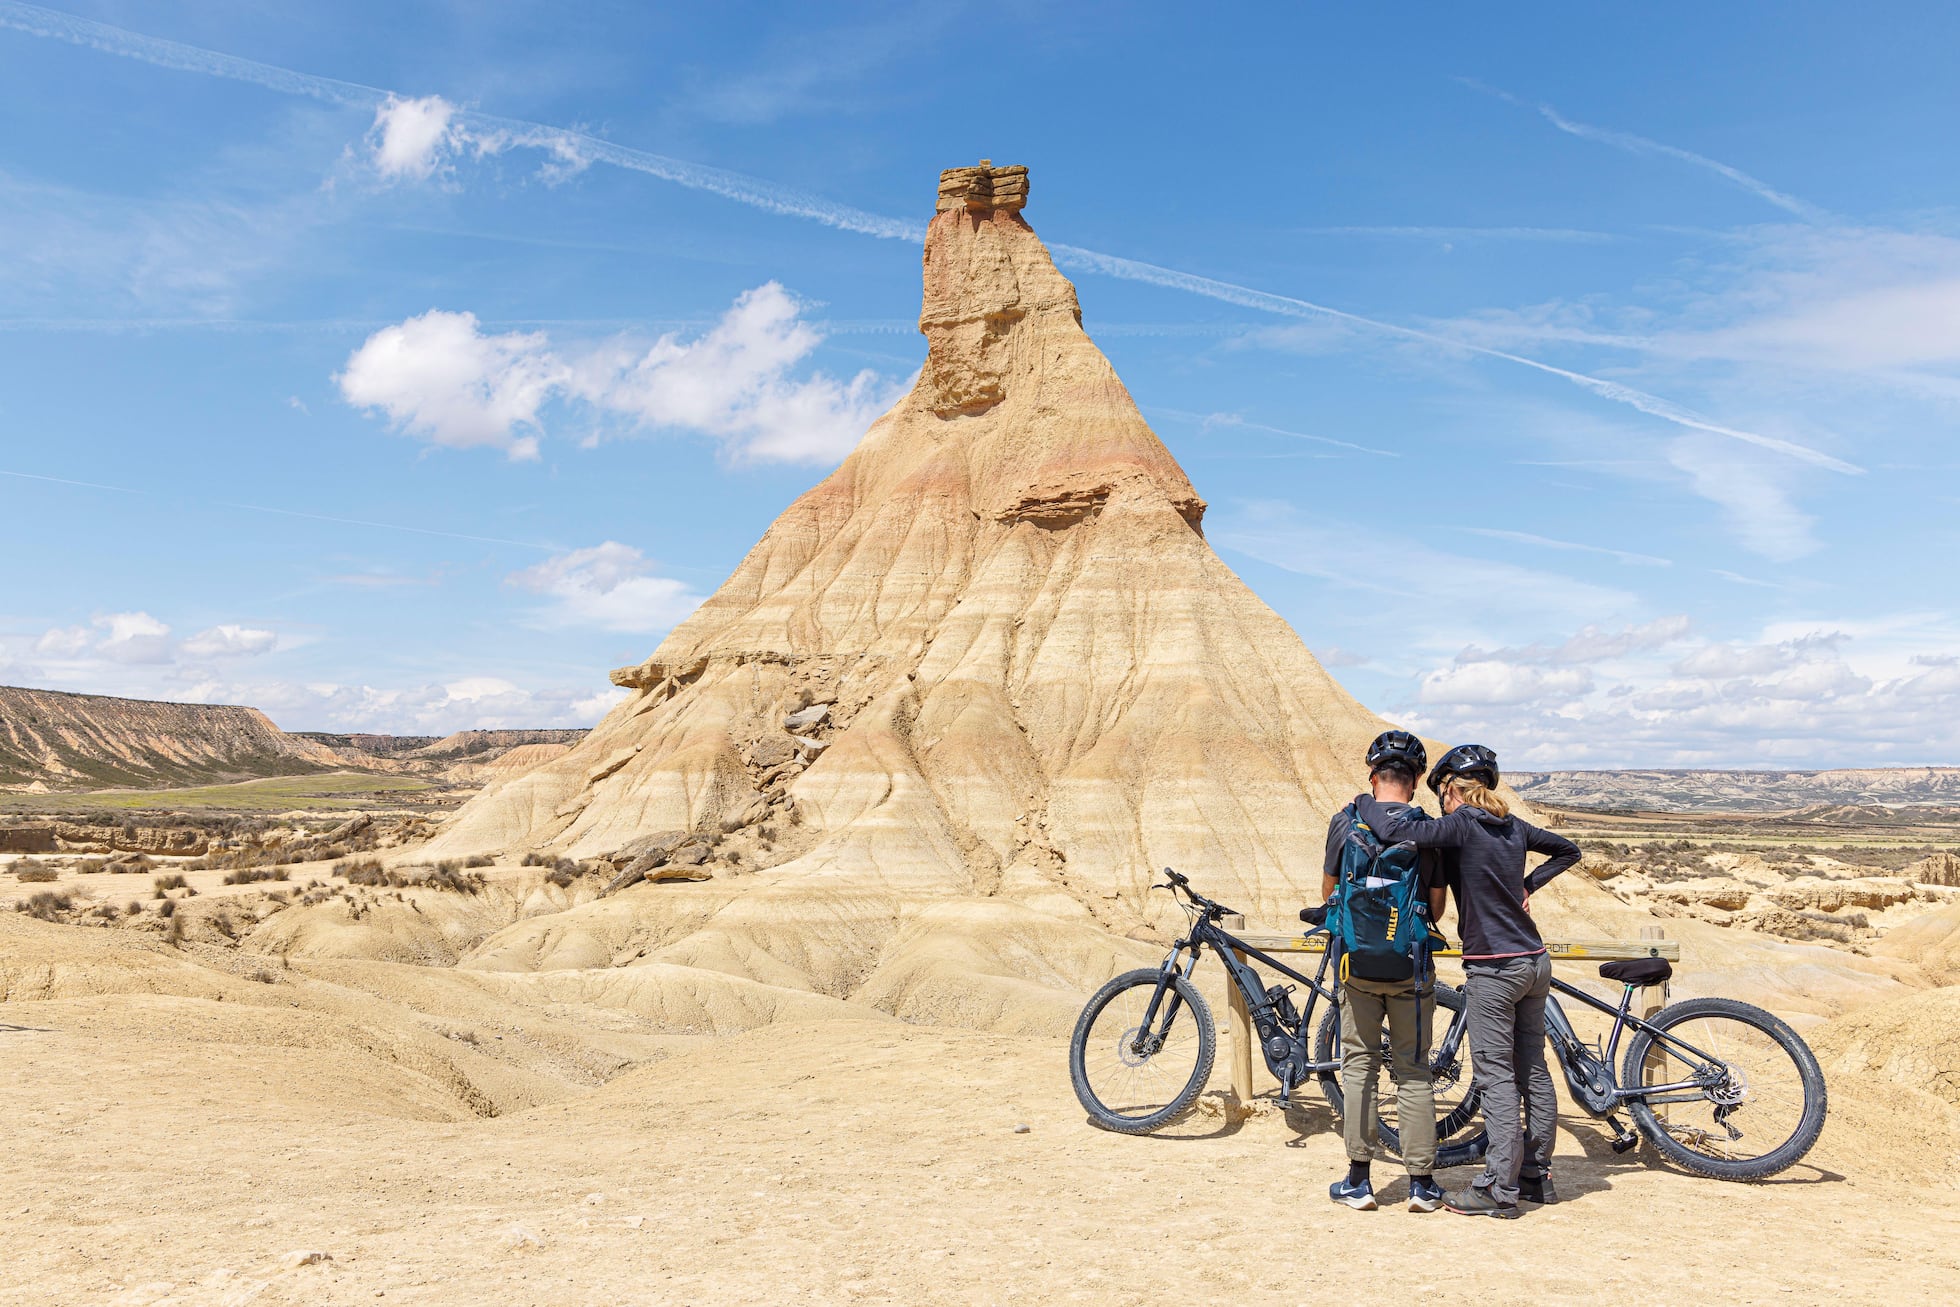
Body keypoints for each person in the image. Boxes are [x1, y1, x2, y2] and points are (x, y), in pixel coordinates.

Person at [1354, 744, 1581, 1219]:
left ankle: (1499, 1189)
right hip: (1534, 962)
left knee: (1497, 1077)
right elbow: (1567, 850)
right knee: (1532, 1069)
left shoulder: (1462, 822)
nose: (1440, 802)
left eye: (1441, 793)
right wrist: (1527, 885)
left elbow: (1394, 827)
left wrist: (1363, 803)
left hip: (1495, 969)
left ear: (1452, 790)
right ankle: (1536, 1176)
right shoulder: (1514, 826)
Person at [1321, 730, 1451, 1214]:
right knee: (1414, 1071)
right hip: (1411, 970)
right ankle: (1420, 1184)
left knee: (1359, 1067)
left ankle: (1359, 1181)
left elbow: (1328, 892)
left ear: (1373, 778)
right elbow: (1436, 910)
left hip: (1355, 966)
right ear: (1415, 782)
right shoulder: (1428, 831)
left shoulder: (1344, 821)